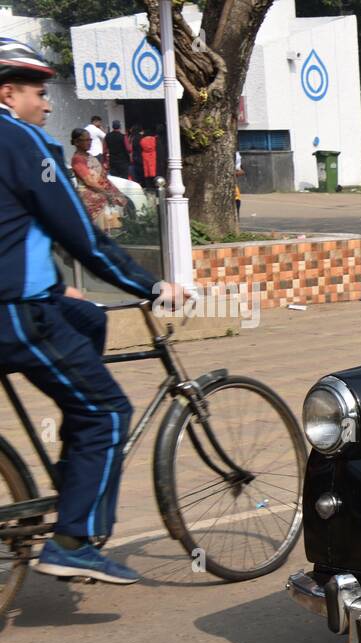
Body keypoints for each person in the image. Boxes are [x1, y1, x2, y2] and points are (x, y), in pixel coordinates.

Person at [0, 38, 181, 585]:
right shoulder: (21, 142)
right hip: (13, 314)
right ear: (7, 93)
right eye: (38, 92)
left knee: (90, 320)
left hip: (32, 301)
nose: (48, 104)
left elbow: (15, 230)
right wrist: (150, 285)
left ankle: (78, 454)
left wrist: (59, 289)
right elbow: (80, 236)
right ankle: (73, 540)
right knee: (107, 412)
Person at [69, 127, 129, 231]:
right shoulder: (78, 159)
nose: (89, 142)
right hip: (93, 199)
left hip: (102, 195)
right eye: (86, 140)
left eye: (90, 139)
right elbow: (89, 181)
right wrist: (107, 193)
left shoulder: (88, 155)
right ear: (77, 142)